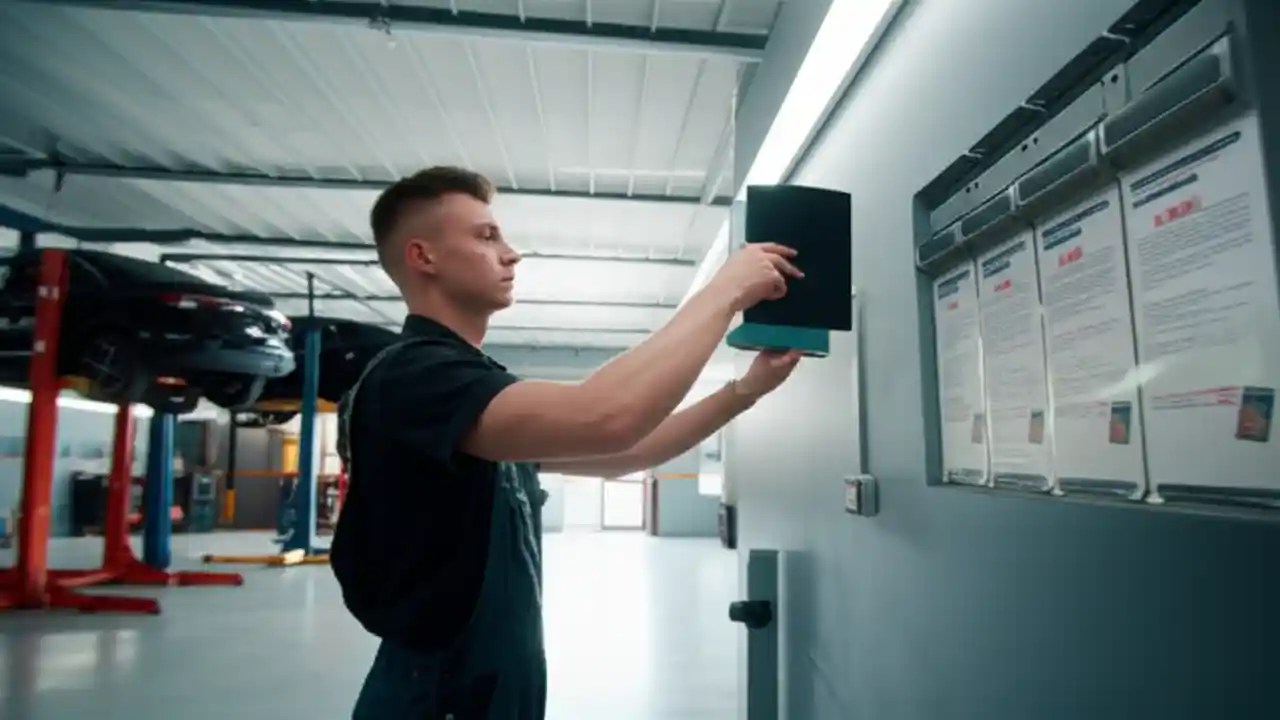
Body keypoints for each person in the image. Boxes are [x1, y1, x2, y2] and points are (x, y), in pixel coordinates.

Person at [331, 166, 805, 719]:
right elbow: (606, 417)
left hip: (491, 688)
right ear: (423, 256)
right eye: (486, 236)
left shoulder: (472, 386)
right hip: (438, 698)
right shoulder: (416, 377)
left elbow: (627, 452)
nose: (511, 254)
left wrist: (743, 391)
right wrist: (724, 292)